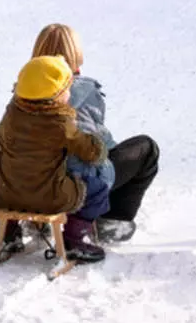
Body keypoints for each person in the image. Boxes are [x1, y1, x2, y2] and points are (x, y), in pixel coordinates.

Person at [27, 24, 158, 245]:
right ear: (75, 53)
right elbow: (95, 143)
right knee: (146, 149)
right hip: (74, 185)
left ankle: (34, 221)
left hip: (32, 184)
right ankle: (110, 220)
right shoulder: (82, 90)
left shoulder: (23, 90)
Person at [0, 55, 107, 264]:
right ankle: (74, 239)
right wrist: (97, 143)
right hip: (51, 198)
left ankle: (10, 233)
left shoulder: (11, 114)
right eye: (67, 88)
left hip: (5, 193)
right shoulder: (61, 122)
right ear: (57, 95)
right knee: (98, 188)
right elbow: (90, 152)